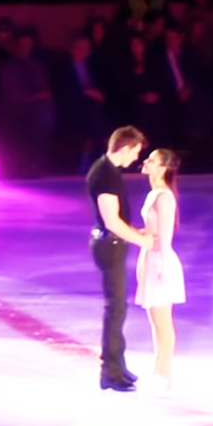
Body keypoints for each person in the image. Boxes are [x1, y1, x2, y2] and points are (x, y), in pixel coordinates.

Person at [86, 126, 155, 392]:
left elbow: (117, 221)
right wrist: (141, 240)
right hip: (109, 245)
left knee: (118, 308)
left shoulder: (108, 171)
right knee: (115, 309)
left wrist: (135, 231)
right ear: (124, 148)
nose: (137, 158)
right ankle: (110, 373)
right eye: (135, 152)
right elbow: (111, 221)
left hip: (112, 243)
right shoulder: (105, 175)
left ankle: (118, 365)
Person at [135, 149, 185, 392]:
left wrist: (162, 267)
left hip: (160, 261)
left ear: (163, 167)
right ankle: (159, 370)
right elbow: (150, 231)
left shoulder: (163, 196)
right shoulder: (154, 193)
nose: (146, 162)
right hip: (150, 259)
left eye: (152, 160)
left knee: (163, 321)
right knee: (155, 320)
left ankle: (164, 373)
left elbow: (165, 235)